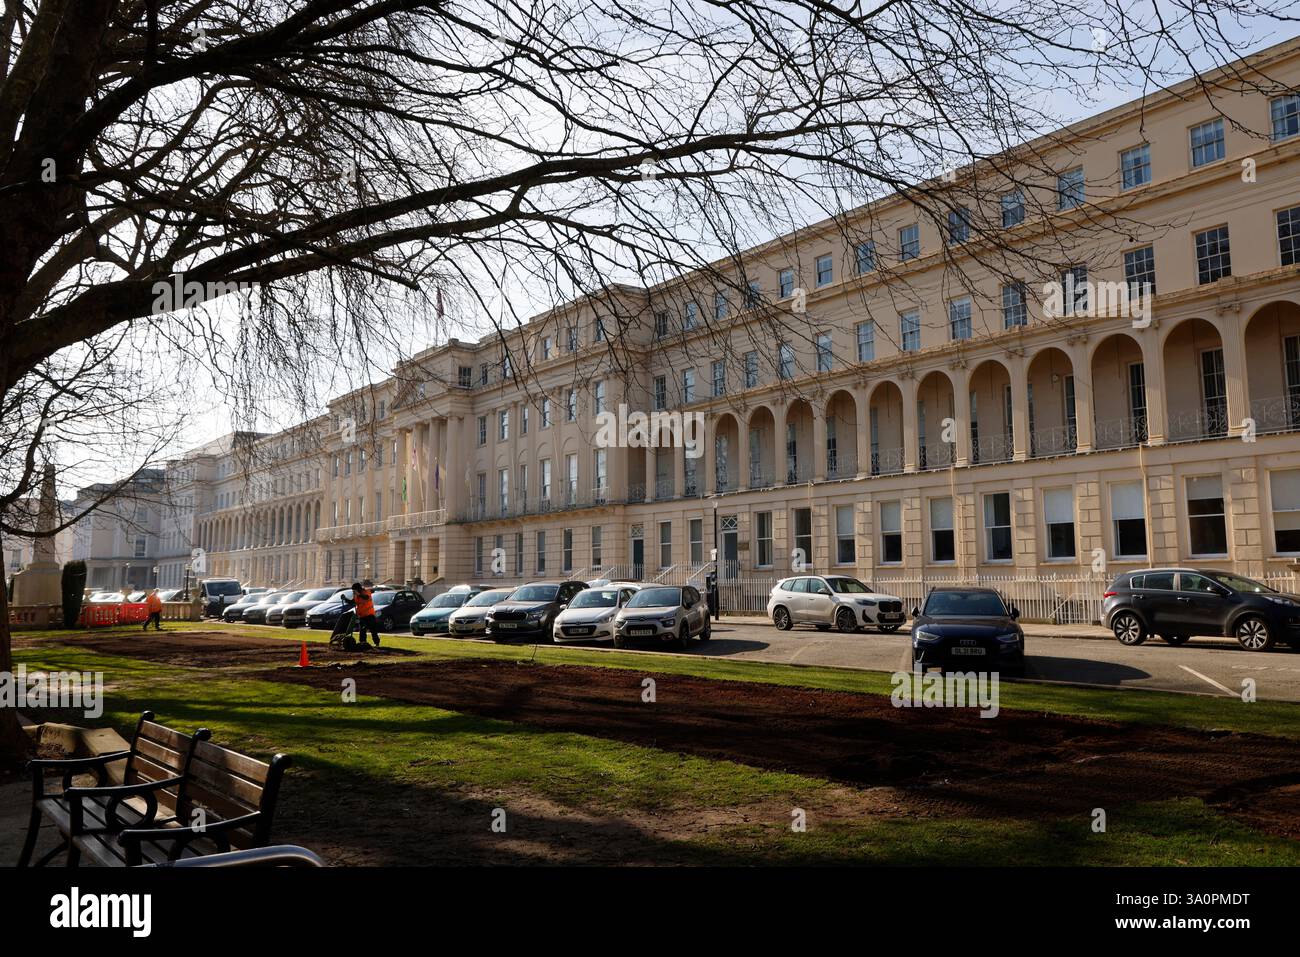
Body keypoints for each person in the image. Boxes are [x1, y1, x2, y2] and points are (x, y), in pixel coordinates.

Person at [351, 581, 381, 647]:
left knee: (373, 630)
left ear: (358, 589)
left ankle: (377, 643)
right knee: (362, 630)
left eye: (354, 590)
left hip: (370, 615)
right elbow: (353, 602)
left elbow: (366, 597)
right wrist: (345, 599)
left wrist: (358, 594)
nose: (353, 592)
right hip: (362, 616)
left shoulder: (366, 591)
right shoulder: (356, 595)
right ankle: (362, 643)